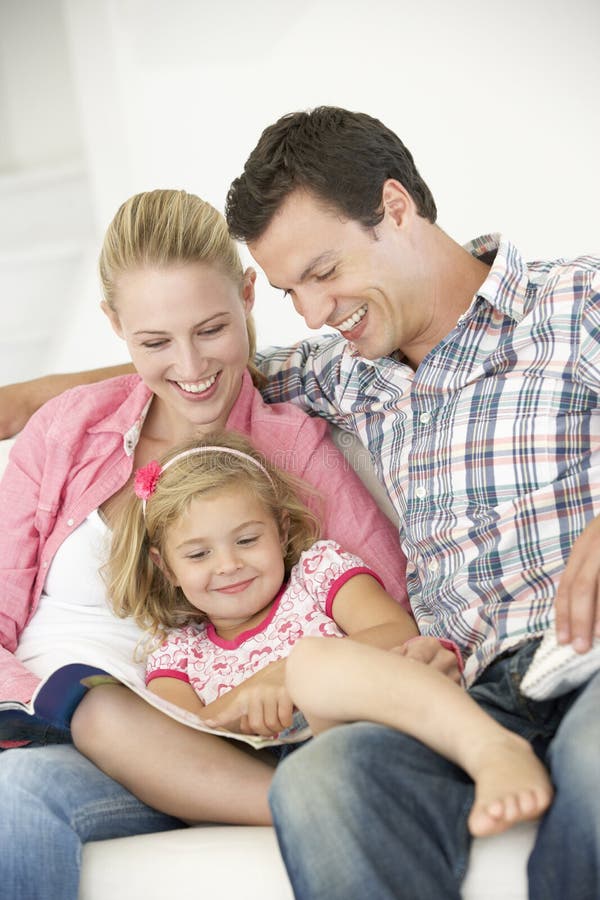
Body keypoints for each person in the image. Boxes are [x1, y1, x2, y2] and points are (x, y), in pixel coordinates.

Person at [0, 187, 430, 900]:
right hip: (48, 720)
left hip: (207, 736)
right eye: (155, 342)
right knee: (18, 787)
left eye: (210, 329)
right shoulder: (70, 427)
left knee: (67, 745)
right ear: (114, 324)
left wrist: (288, 679)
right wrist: (37, 704)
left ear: (249, 296)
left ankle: (295, 799)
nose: (192, 367)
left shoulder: (295, 447)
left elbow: (389, 613)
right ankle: (280, 804)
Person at [222, 106, 600, 899]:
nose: (315, 312)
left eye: (323, 273)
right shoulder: (343, 371)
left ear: (397, 207)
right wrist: (17, 405)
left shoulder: (576, 300)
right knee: (323, 778)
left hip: (590, 658)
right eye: (292, 291)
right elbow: (201, 368)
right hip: (463, 697)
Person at [106, 431, 552, 837]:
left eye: (246, 540)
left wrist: (283, 677)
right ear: (166, 566)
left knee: (313, 661)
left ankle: (488, 746)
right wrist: (251, 703)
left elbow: (393, 630)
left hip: (369, 726)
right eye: (199, 553)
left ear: (281, 531)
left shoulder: (318, 573)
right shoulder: (178, 655)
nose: (228, 565)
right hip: (280, 772)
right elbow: (182, 740)